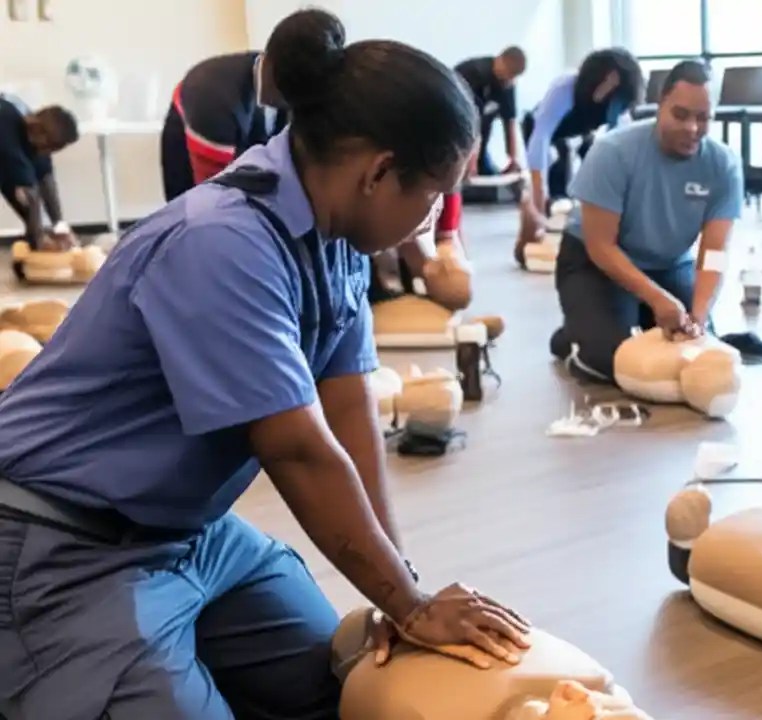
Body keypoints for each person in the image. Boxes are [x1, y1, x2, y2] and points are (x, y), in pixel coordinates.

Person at [0, 9, 528, 719]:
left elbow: (347, 418)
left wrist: (401, 592)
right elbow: (300, 452)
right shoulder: (221, 243)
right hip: (63, 546)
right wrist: (409, 602)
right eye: (433, 195)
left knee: (331, 684)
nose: (432, 219)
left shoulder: (334, 240)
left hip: (191, 534)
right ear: (378, 172)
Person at [548, 60, 743, 382]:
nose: (692, 128)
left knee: (693, 347)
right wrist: (657, 298)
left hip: (668, 264)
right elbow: (601, 246)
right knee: (612, 361)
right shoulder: (613, 151)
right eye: (680, 115)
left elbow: (715, 252)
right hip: (595, 262)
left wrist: (700, 314)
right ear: (660, 104)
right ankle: (573, 334)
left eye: (703, 118)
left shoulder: (723, 165)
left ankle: (627, 314)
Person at [518, 47, 644, 264]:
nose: (608, 86)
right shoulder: (565, 87)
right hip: (545, 129)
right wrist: (539, 190)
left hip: (581, 132)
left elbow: (621, 144)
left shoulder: (620, 102)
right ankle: (535, 227)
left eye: (614, 82)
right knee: (552, 173)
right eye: (606, 79)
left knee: (596, 164)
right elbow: (542, 135)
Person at [160, 49, 288, 201]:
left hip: (246, 112)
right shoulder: (212, 101)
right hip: (202, 112)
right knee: (195, 206)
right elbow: (212, 199)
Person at [0, 94, 79, 251]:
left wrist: (61, 227)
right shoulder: (6, 123)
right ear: (41, 135)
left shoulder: (33, 133)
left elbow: (46, 177)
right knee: (23, 185)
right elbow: (29, 190)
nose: (48, 152)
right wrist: (38, 238)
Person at [454, 46, 527, 177]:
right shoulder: (473, 73)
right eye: (506, 74)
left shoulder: (507, 84)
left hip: (480, 146)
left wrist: (513, 159)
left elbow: (509, 122)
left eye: (512, 77)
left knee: (491, 177)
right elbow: (470, 121)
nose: (508, 80)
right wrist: (471, 161)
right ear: (499, 60)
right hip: (458, 142)